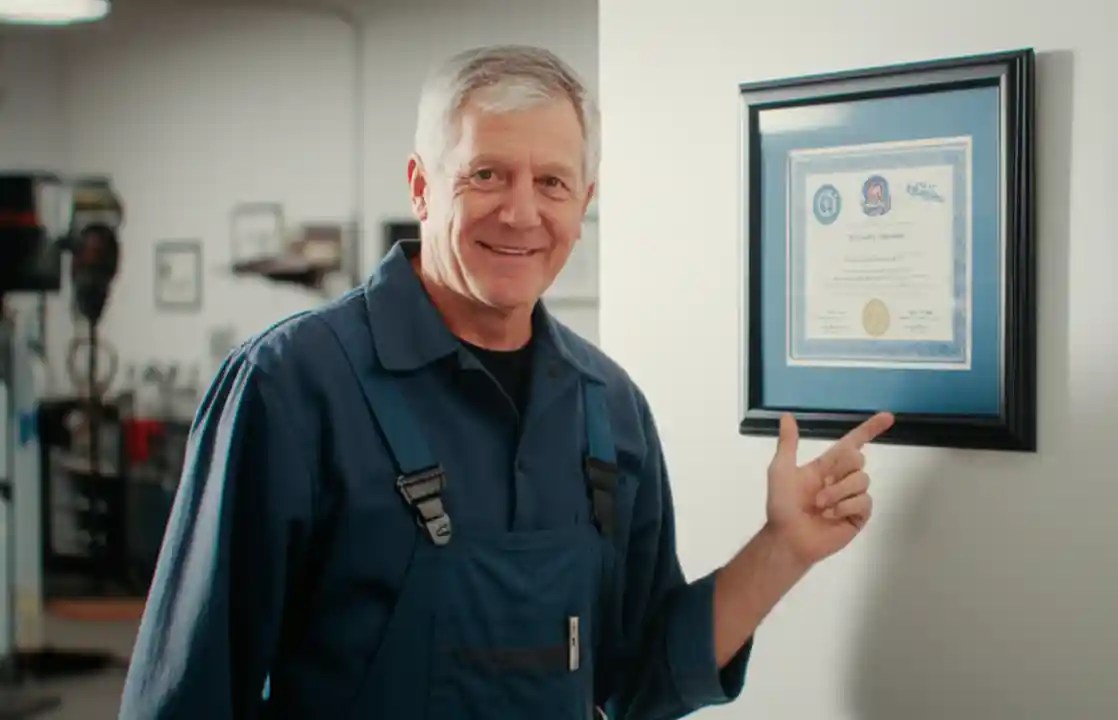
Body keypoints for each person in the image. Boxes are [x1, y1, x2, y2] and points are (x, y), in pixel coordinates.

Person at [117, 44, 894, 719]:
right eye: (486, 174)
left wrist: (782, 548)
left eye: (552, 183)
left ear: (584, 203)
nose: (522, 214)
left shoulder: (610, 408)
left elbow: (639, 680)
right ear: (421, 186)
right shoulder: (290, 387)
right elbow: (188, 693)